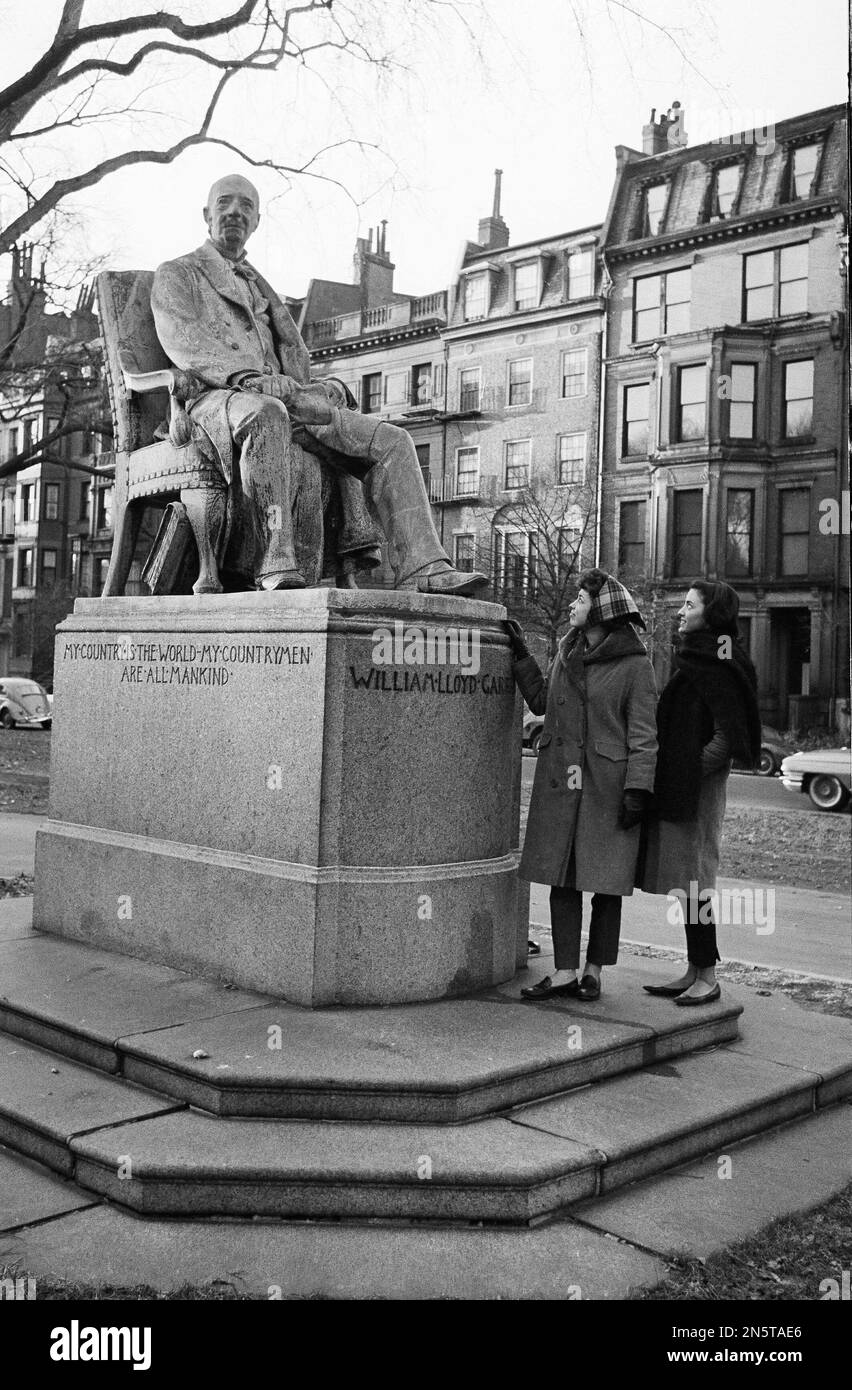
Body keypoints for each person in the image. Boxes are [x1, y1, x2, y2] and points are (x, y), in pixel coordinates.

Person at [151, 173, 487, 595]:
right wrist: (245, 378)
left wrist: (317, 389)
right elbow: (184, 340)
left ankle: (425, 568)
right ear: (207, 214)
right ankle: (275, 562)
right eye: (225, 203)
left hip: (284, 397)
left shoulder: (260, 285)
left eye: (246, 206)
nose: (235, 212)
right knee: (265, 413)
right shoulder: (178, 274)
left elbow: (293, 363)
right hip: (216, 399)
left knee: (395, 440)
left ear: (256, 220)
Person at [505, 570, 658, 1002]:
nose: (573, 605)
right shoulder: (566, 650)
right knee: (562, 879)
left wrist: (637, 790)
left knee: (606, 884)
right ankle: (565, 971)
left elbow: (645, 735)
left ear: (602, 610)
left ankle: (594, 971)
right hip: (560, 785)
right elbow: (540, 703)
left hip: (608, 788)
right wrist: (519, 654)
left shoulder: (635, 664)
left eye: (580, 599)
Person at [640, 580, 761, 1005]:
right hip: (687, 786)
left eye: (689, 605)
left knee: (696, 882)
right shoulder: (699, 656)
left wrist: (688, 774)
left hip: (699, 791)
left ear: (711, 614)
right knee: (687, 882)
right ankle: (694, 968)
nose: (680, 611)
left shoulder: (719, 659)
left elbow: (727, 740)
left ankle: (707, 977)